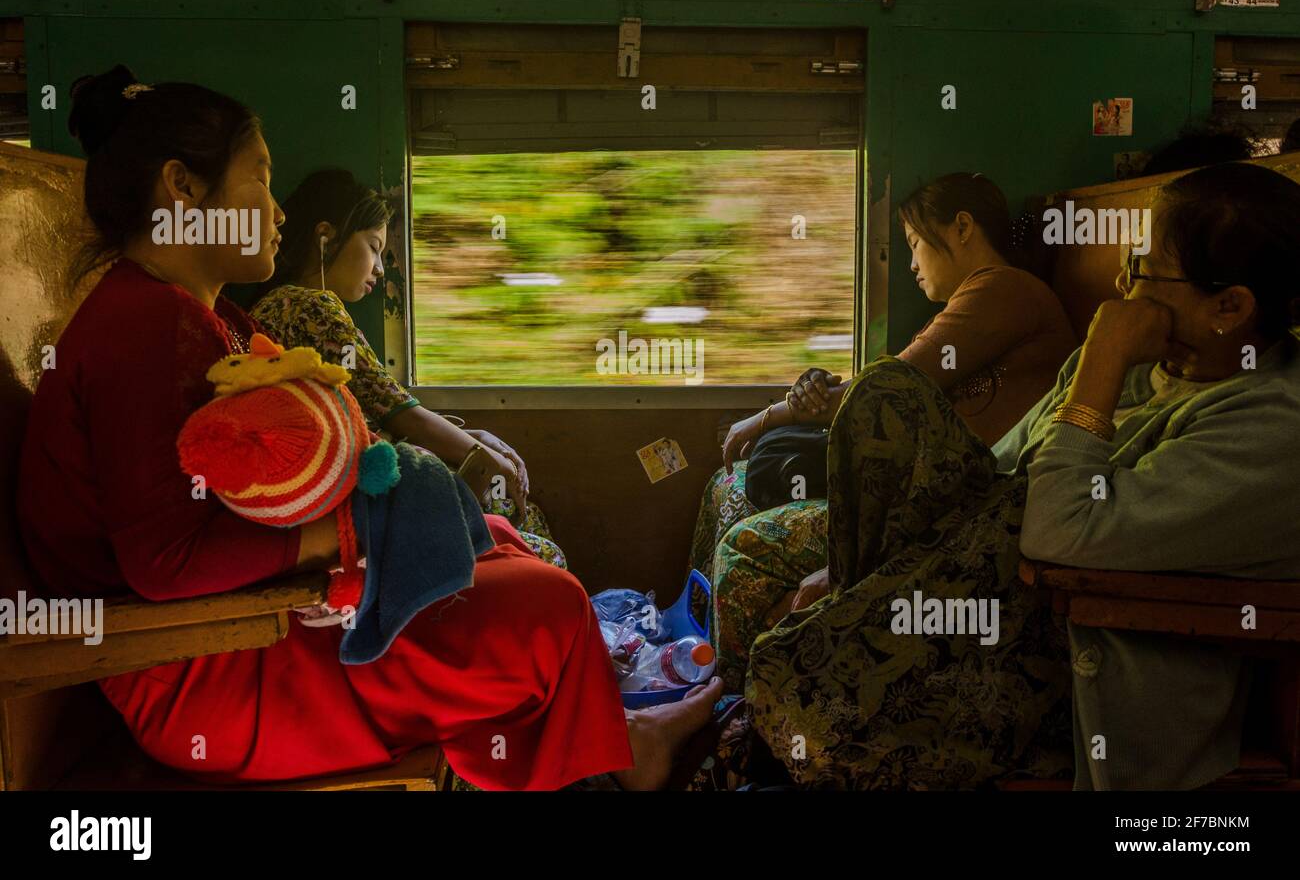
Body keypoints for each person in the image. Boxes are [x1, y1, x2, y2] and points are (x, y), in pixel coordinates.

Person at [18, 64, 720, 792]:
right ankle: (617, 757)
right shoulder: (143, 326)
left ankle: (595, 739)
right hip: (208, 674)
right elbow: (163, 562)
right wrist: (337, 538)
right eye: (259, 179)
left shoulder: (206, 318)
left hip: (247, 632)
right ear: (183, 188)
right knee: (553, 606)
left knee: (503, 546)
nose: (278, 210)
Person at [730, 161, 1300, 789]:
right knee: (883, 403)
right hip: (990, 599)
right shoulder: (1141, 368)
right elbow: (996, 472)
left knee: (803, 687)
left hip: (1076, 675)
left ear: (1229, 306)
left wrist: (1101, 364)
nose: (1119, 283)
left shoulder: (1270, 429)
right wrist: (860, 573)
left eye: (1141, 270)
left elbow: (1057, 528)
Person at [692, 173, 1077, 692]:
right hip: (930, 492)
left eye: (916, 244)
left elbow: (883, 390)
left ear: (962, 227)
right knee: (727, 490)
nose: (913, 264)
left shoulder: (1003, 290)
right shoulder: (976, 303)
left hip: (962, 510)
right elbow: (883, 390)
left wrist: (772, 416)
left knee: (741, 544)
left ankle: (732, 699)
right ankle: (701, 660)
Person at [247, 169, 565, 567]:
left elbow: (382, 404)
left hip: (355, 485)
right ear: (325, 236)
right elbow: (394, 408)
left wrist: (473, 435)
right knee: (541, 546)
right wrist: (484, 455)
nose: (380, 268)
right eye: (373, 246)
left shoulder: (277, 305)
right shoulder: (309, 306)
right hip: (364, 494)